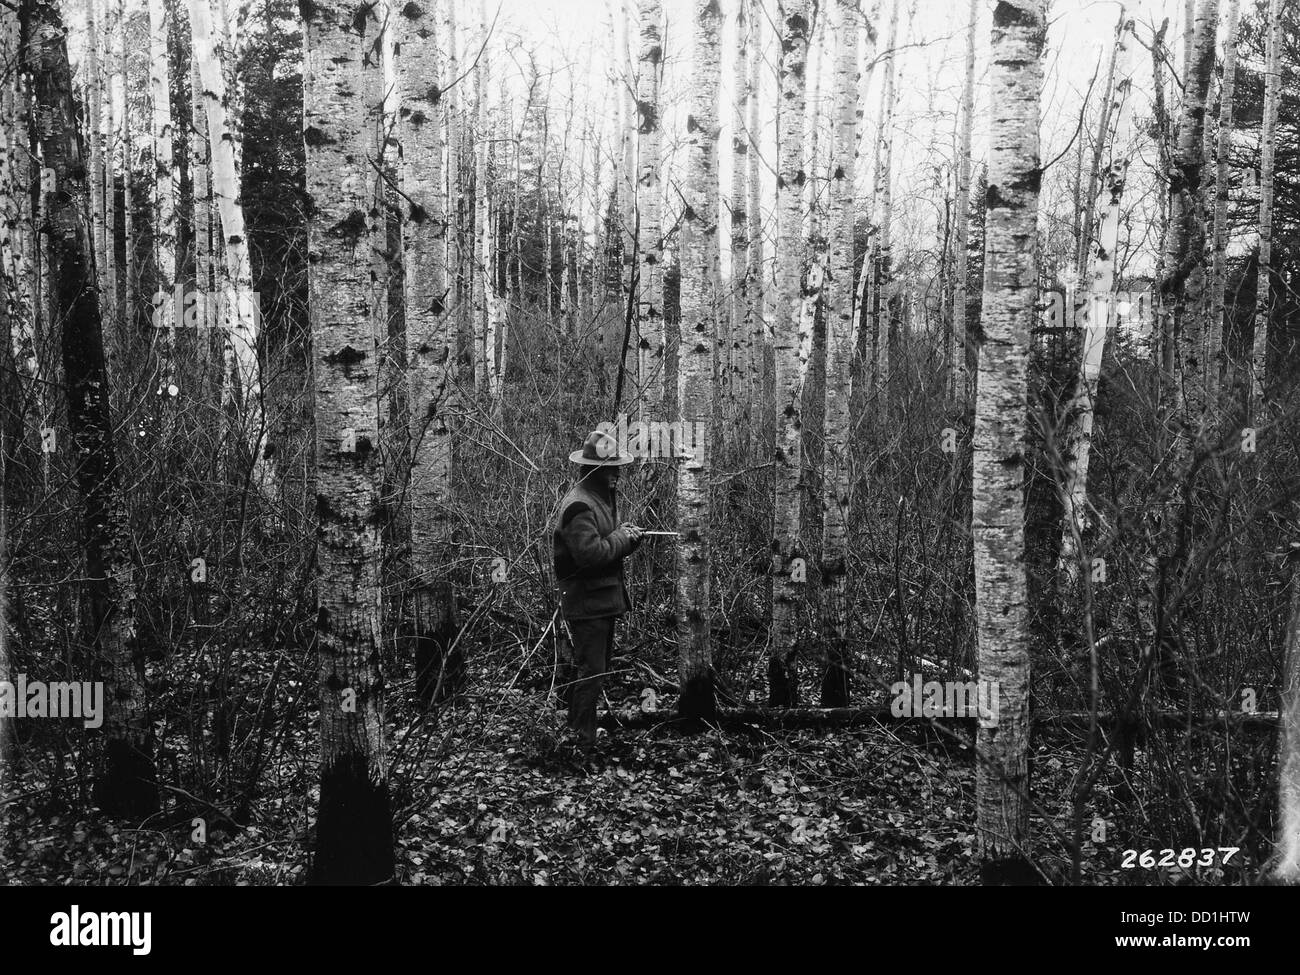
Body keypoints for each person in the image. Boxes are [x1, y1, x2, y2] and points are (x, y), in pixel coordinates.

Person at [553, 430, 644, 750]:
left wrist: (624, 536)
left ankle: (580, 734)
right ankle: (582, 741)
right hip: (586, 602)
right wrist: (624, 538)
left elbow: (607, 542)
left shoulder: (597, 498)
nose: (618, 473)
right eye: (612, 468)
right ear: (596, 470)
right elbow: (590, 555)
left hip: (599, 601)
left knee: (596, 670)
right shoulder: (578, 506)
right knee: (591, 672)